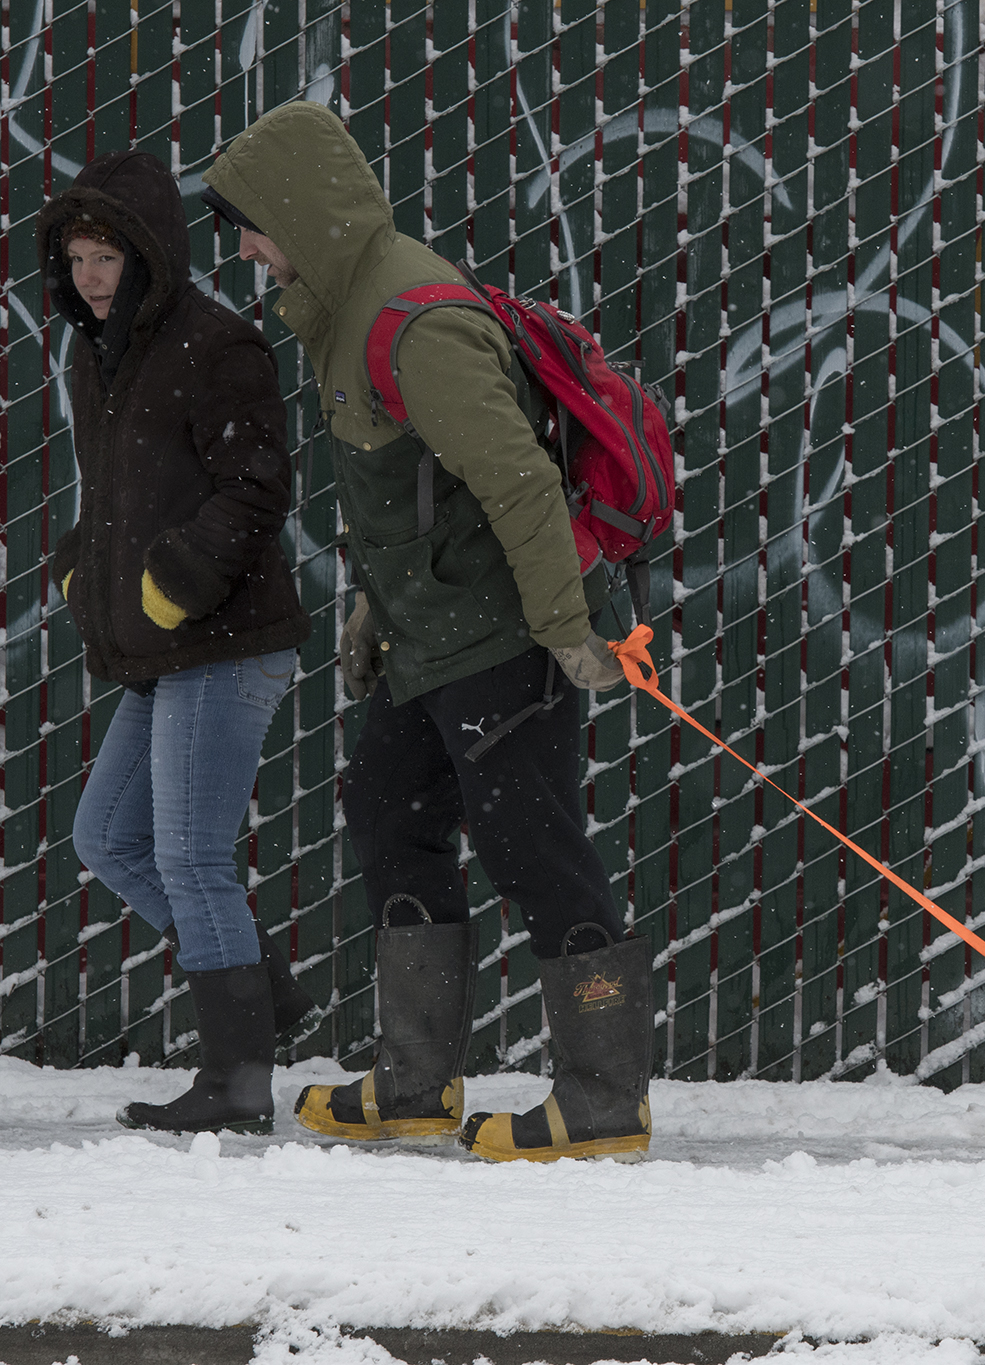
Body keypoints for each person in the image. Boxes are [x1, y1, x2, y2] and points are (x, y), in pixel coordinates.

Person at [199, 101, 654, 1162]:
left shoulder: (413, 321)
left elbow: (517, 486)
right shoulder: (349, 306)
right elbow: (417, 495)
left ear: (295, 216)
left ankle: (601, 1098)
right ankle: (413, 1085)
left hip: (502, 636)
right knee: (391, 819)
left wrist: (567, 630)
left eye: (252, 229)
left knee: (531, 845)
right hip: (428, 635)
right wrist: (374, 604)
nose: (249, 253)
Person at [38, 149, 314, 1134]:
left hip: (225, 638)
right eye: (76, 259)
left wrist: (171, 583)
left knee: (192, 856)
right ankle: (260, 991)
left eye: (107, 254)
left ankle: (237, 1084)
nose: (91, 276)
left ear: (150, 252)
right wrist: (84, 569)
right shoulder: (95, 355)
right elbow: (113, 497)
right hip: (159, 644)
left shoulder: (216, 345)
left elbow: (256, 491)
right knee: (106, 838)